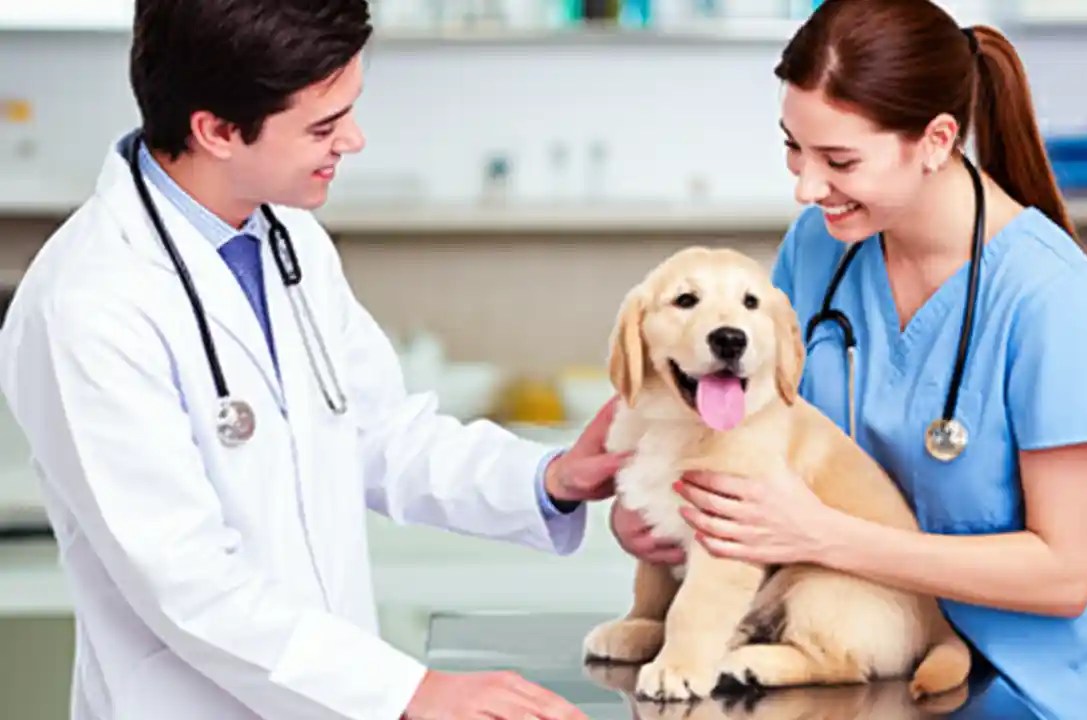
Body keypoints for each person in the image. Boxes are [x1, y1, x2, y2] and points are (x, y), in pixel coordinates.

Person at [0, 1, 624, 719]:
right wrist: (408, 692)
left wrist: (551, 478)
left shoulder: (288, 237)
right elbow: (187, 580)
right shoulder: (89, 302)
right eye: (323, 127)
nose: (353, 140)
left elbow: (381, 433)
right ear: (216, 130)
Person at [611, 1, 1087, 718]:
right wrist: (656, 518)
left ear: (936, 141)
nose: (807, 187)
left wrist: (825, 535)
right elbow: (757, 438)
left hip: (1031, 695)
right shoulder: (819, 247)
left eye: (839, 161)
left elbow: (1064, 574)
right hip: (858, 685)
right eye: (794, 149)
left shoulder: (1058, 300)